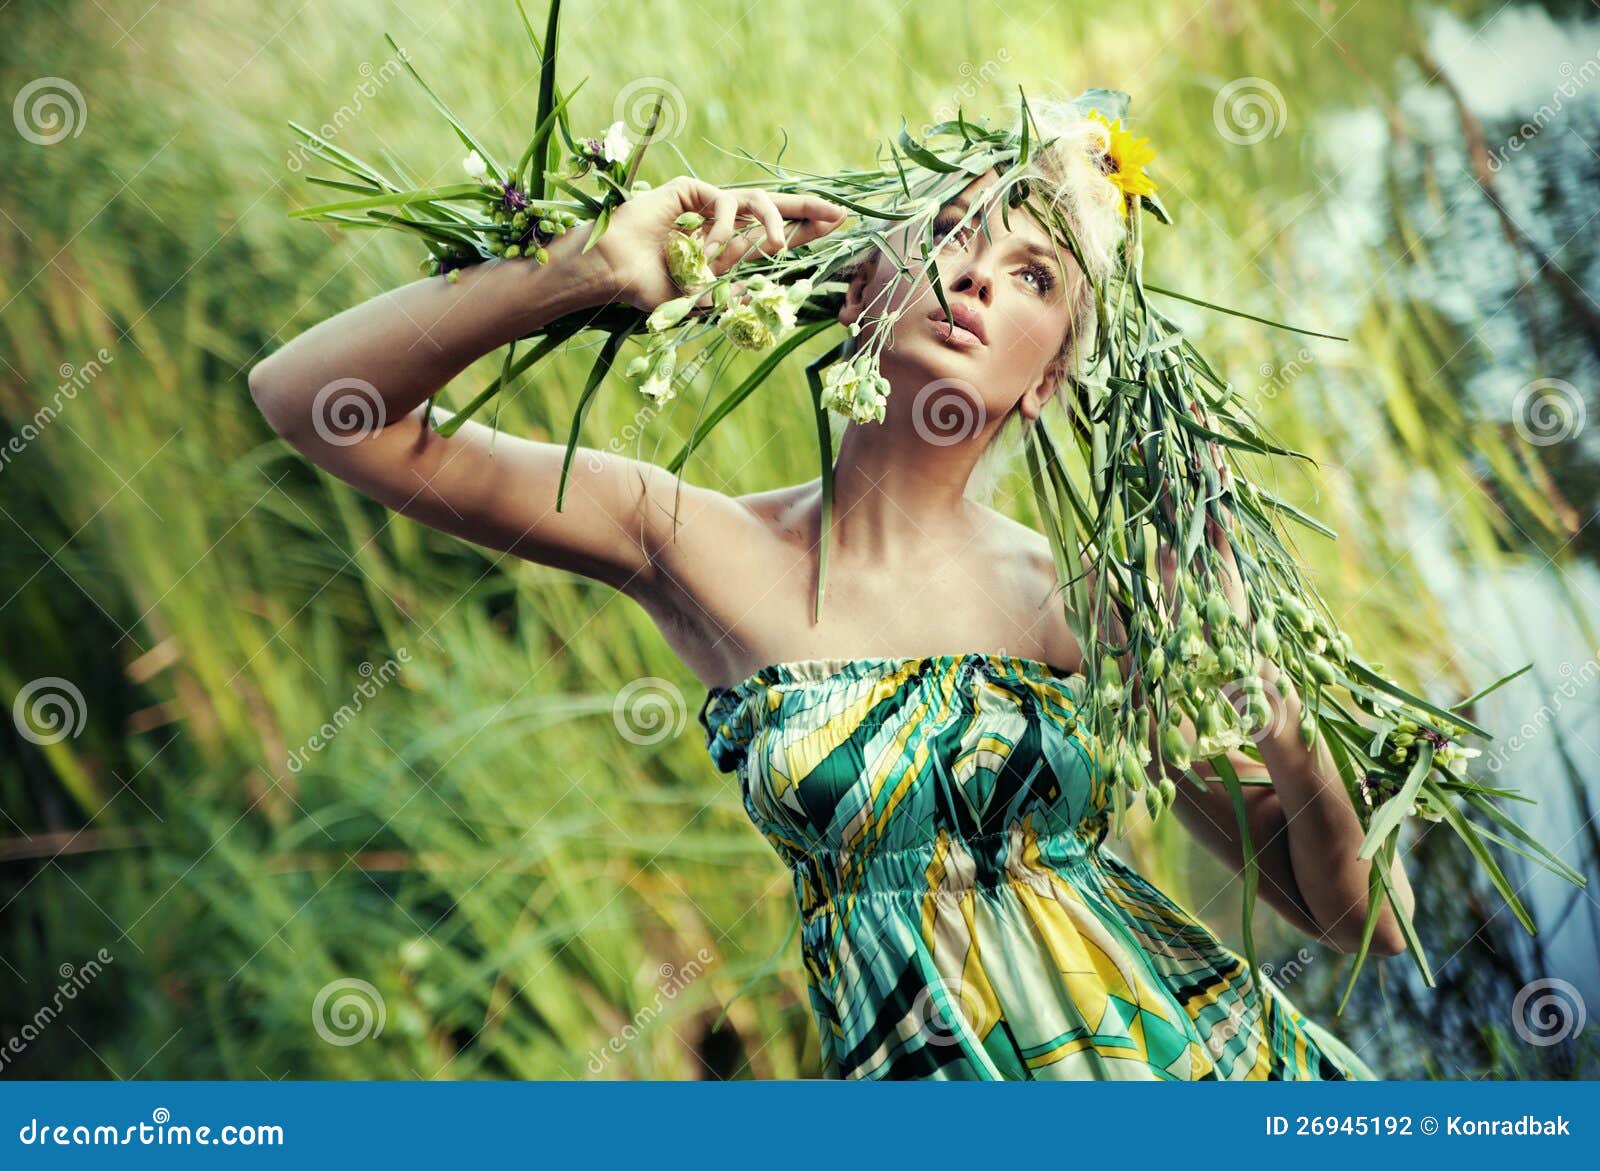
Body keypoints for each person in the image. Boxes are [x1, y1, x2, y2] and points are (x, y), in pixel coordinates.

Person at [248, 99, 1413, 1080]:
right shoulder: (689, 541)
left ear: (1050, 376)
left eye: (1033, 274)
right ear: (858, 280)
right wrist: (582, 271)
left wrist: (1284, 723)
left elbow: (1357, 920)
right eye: (949, 232)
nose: (972, 275)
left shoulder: (1087, 603)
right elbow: (314, 404)